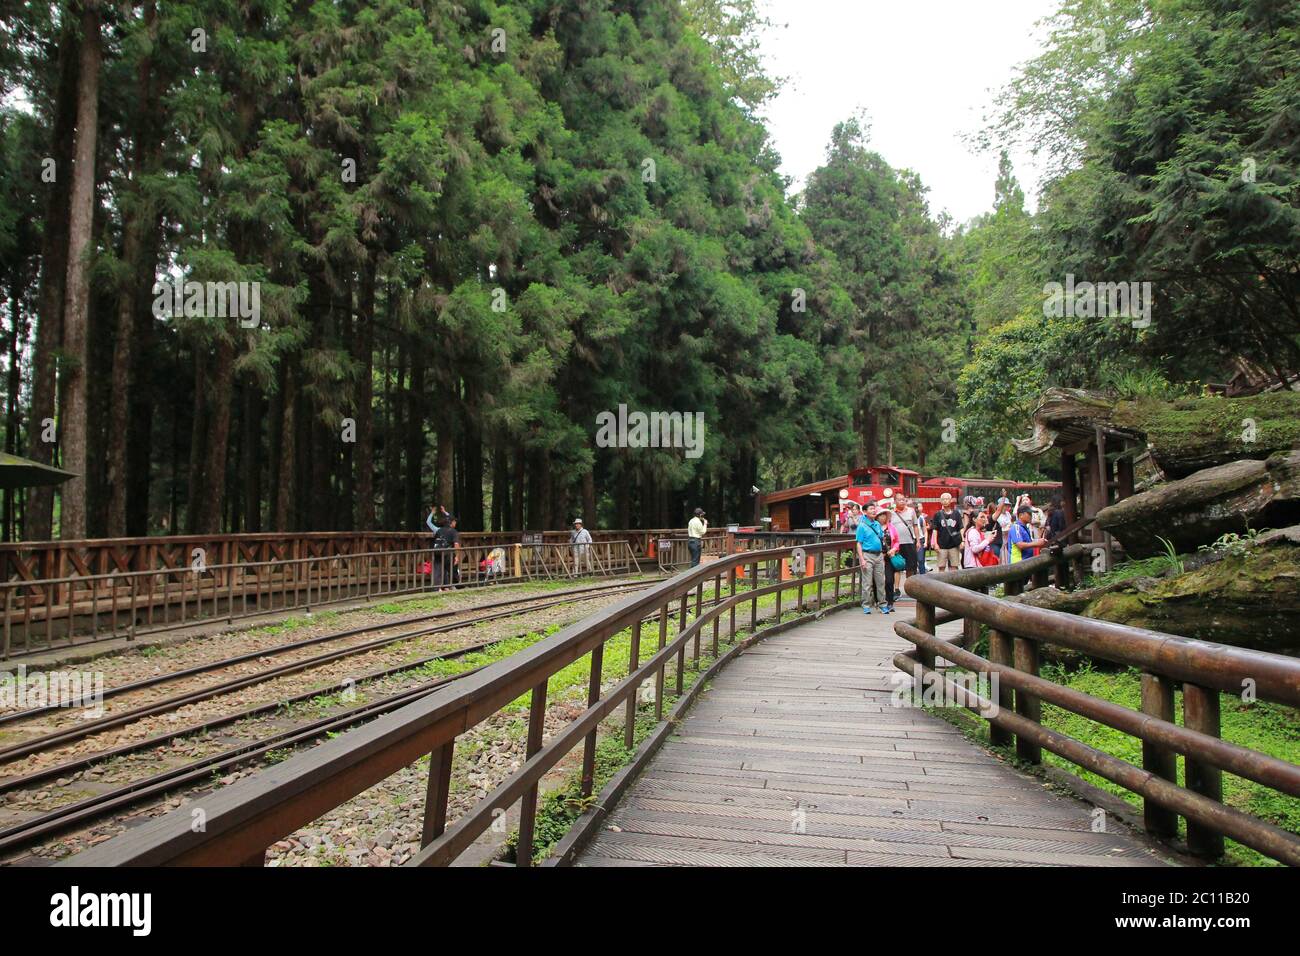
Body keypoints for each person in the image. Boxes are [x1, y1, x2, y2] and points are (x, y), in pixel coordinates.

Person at [855, 502, 889, 614]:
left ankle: (883, 604)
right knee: (867, 583)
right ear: (865, 511)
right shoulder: (862, 525)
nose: (874, 511)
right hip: (867, 555)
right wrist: (862, 559)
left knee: (880, 581)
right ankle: (866, 605)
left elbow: (881, 539)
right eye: (871, 509)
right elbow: (859, 543)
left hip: (878, 555)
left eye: (874, 509)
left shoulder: (877, 524)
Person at [887, 498, 917, 598]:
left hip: (909, 542)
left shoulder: (911, 511)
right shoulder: (891, 513)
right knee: (897, 566)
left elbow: (915, 526)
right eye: (899, 500)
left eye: (904, 500)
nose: (902, 502)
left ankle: (910, 588)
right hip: (896, 545)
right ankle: (896, 589)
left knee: (910, 567)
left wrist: (918, 540)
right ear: (895, 502)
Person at [930, 493, 963, 571]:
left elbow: (961, 528)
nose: (945, 501)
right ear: (941, 501)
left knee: (954, 567)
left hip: (954, 545)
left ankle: (954, 582)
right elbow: (935, 530)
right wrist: (935, 543)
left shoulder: (956, 514)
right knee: (941, 567)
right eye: (943, 499)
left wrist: (963, 541)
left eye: (947, 499)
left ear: (951, 500)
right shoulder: (937, 515)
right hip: (941, 545)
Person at [431, 515, 461, 589]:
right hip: (448, 554)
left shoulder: (439, 530)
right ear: (451, 522)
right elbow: (456, 544)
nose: (455, 523)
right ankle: (455, 586)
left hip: (437, 552)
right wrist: (457, 556)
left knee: (438, 570)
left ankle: (438, 588)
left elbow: (434, 541)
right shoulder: (453, 531)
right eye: (455, 521)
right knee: (452, 570)